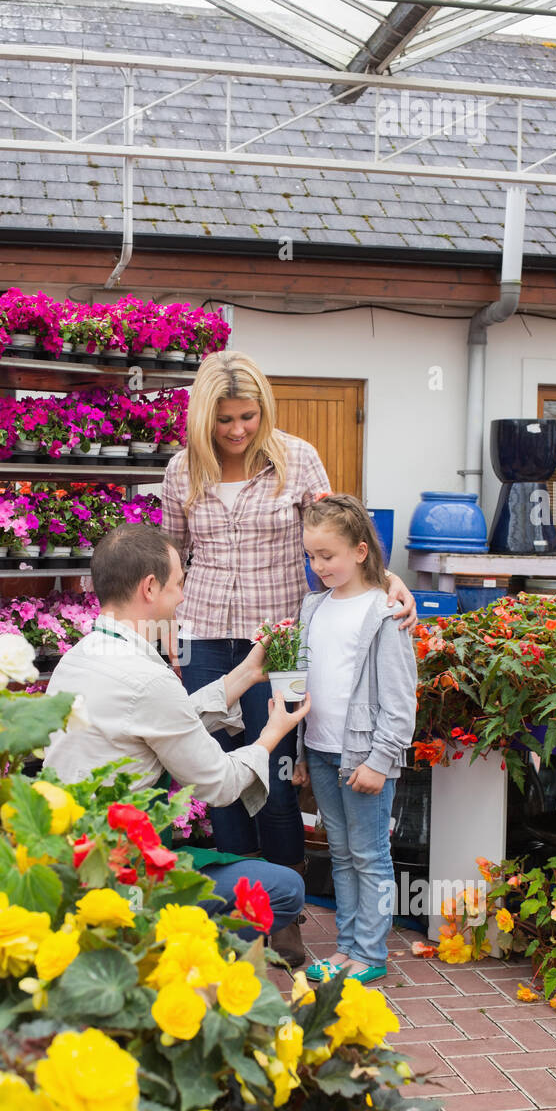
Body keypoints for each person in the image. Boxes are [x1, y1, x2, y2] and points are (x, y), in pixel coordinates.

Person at [161, 350, 416, 871]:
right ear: (203, 416)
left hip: (279, 641)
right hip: (203, 637)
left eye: (247, 416)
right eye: (224, 419)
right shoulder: (181, 470)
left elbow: (342, 530)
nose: (236, 430)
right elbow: (170, 553)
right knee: (216, 770)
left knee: (276, 773)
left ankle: (284, 900)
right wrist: (163, 625)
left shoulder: (297, 459)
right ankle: (238, 890)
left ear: (264, 410)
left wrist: (387, 579)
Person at [44, 523, 310, 948]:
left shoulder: (80, 656)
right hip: (122, 871)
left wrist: (244, 675)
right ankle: (165, 948)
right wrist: (270, 736)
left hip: (72, 853)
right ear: (150, 587)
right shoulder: (147, 678)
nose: (183, 597)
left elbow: (164, 719)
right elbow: (220, 784)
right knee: (285, 890)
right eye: (179, 584)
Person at [292, 494, 417, 984]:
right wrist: (302, 752)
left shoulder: (385, 612)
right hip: (322, 753)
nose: (318, 566)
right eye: (311, 556)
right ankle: (347, 949)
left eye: (328, 556)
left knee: (371, 855)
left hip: (364, 757)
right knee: (340, 853)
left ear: (360, 552)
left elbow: (400, 699)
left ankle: (372, 952)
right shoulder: (313, 606)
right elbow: (306, 681)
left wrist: (381, 759)